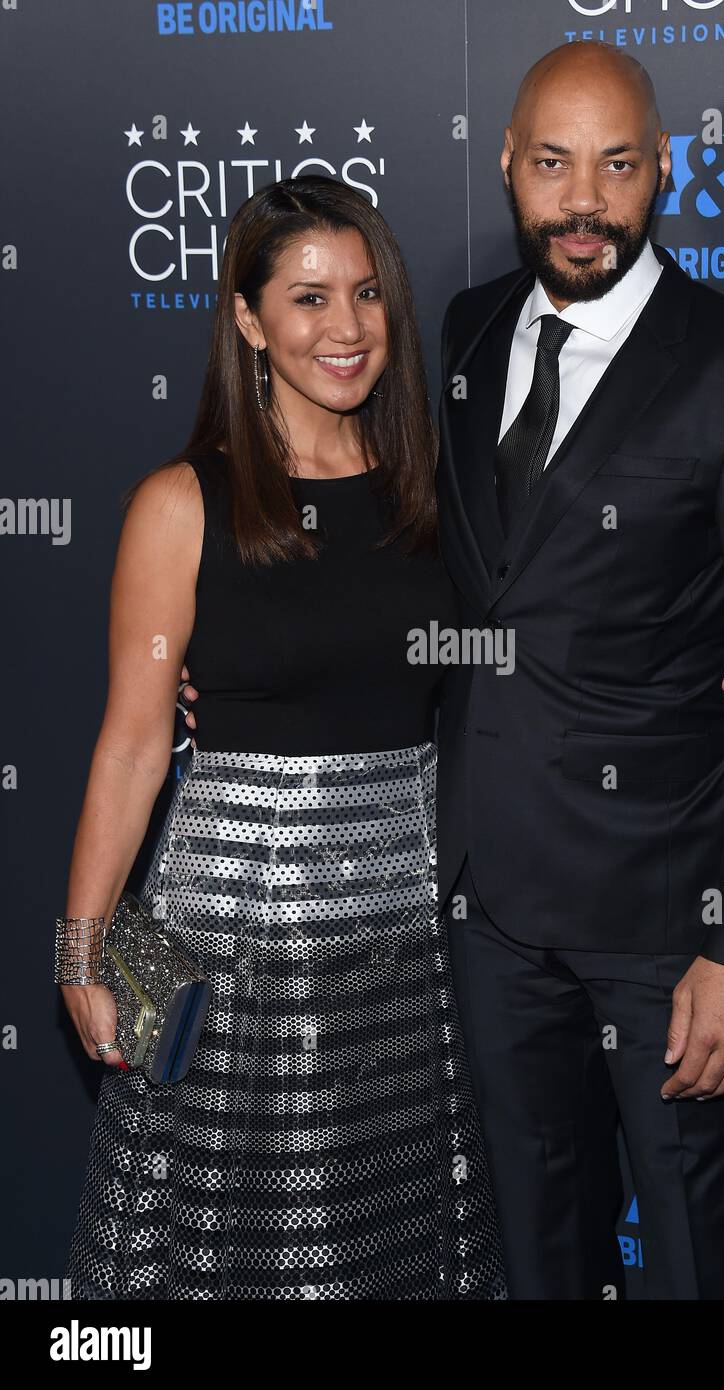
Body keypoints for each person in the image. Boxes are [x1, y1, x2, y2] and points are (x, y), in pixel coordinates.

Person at [431, 43, 724, 1300]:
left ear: (662, 169)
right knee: (535, 1253)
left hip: (669, 931)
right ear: (507, 166)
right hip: (491, 909)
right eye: (552, 162)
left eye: (616, 163)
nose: (583, 200)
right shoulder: (466, 330)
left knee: (701, 1262)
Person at [58, 174, 506, 1300]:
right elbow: (131, 742)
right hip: (226, 955)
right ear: (249, 322)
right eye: (306, 300)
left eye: (364, 294)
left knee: (387, 1257)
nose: (344, 328)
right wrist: (81, 950)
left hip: (399, 962)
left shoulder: (431, 496)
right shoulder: (182, 502)